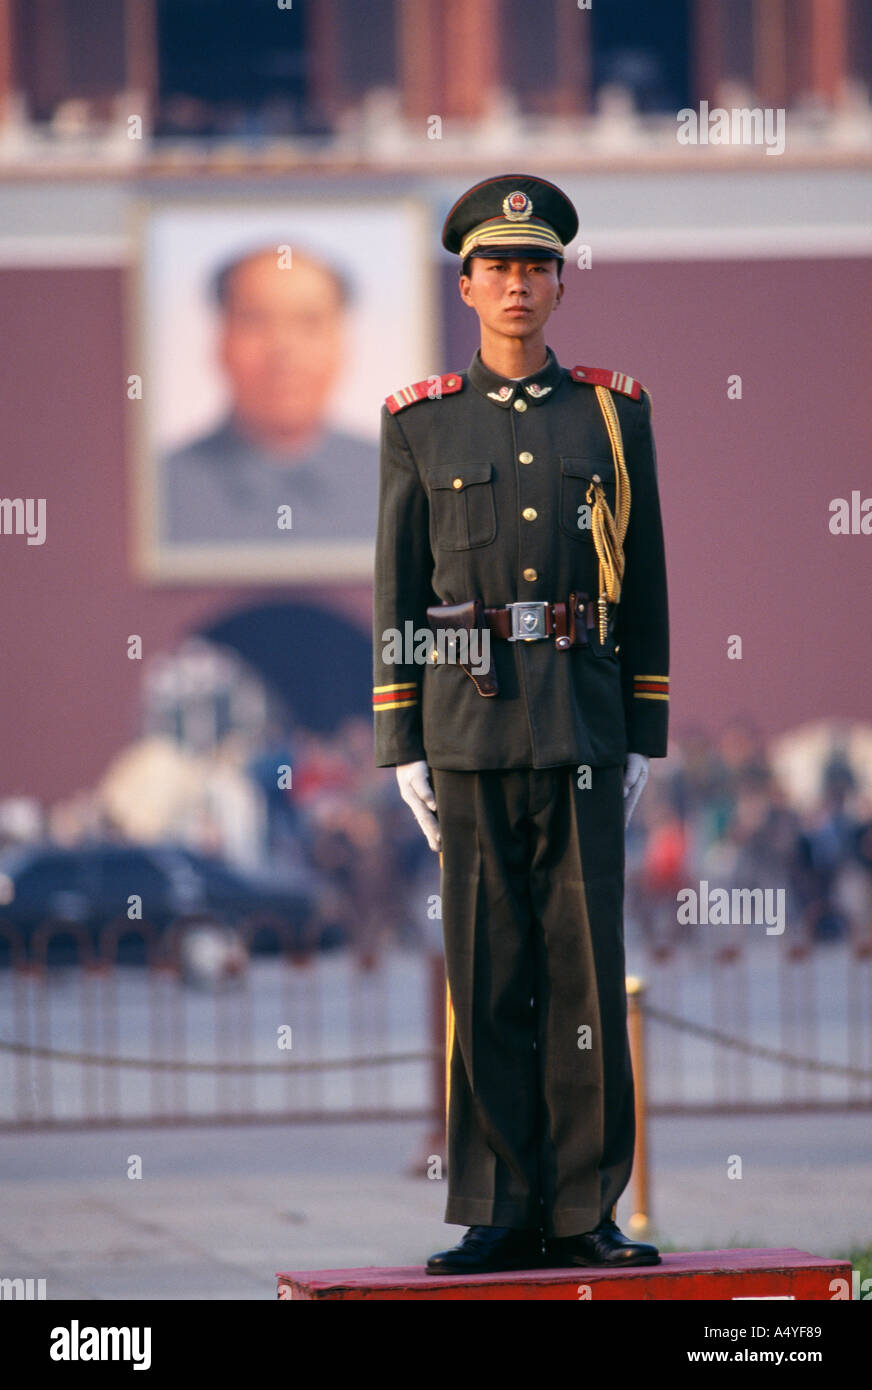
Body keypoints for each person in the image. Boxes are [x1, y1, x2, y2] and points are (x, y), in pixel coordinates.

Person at [371, 174, 670, 1273]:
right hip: (469, 727)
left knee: (586, 969)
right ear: (465, 285)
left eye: (533, 265)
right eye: (494, 266)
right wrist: (405, 742)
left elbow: (641, 583)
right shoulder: (419, 420)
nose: (514, 284)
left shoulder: (611, 411)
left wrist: (642, 726)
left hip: (584, 725)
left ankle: (583, 1207)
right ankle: (498, 1206)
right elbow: (402, 586)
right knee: (486, 968)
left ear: (557, 282)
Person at [163, 246, 378, 545]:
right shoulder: (160, 489)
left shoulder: (396, 480)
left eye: (309, 322)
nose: (283, 349)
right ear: (221, 342)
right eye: (255, 320)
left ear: (342, 345)